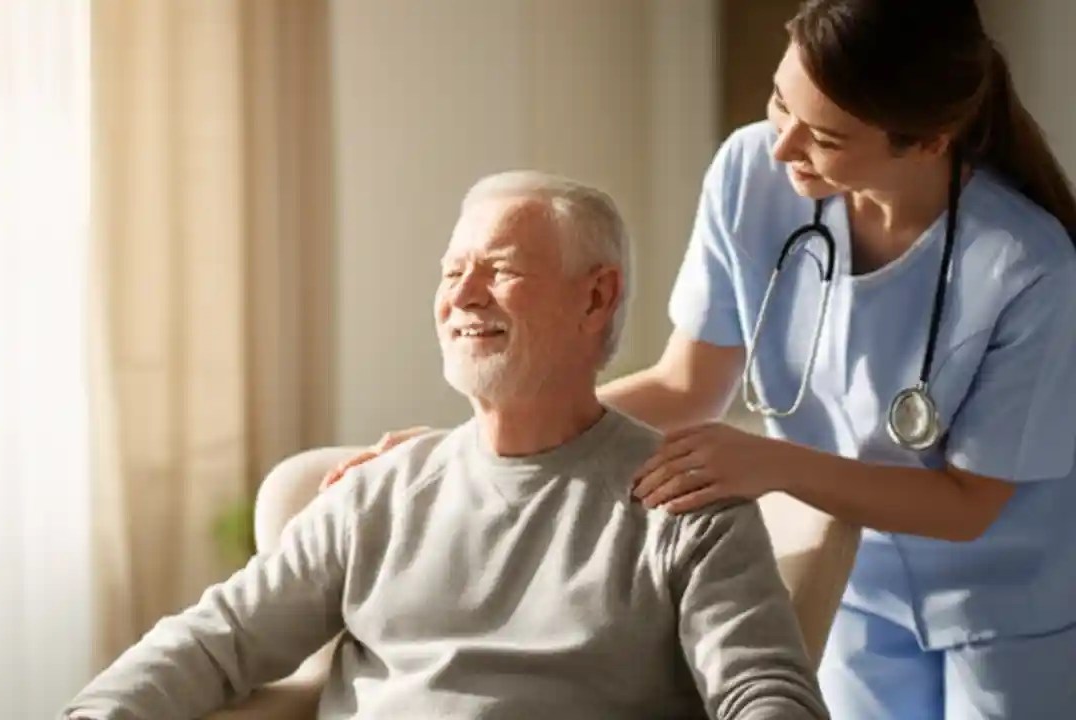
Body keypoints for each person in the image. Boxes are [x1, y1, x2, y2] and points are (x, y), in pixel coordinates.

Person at [328, 2, 1076, 718]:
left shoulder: (1025, 265)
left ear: (929, 139)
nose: (782, 145)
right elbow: (688, 385)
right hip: (853, 591)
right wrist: (462, 450)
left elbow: (969, 504)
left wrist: (775, 465)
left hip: (1007, 606)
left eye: (826, 137)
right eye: (780, 103)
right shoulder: (753, 173)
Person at [61, 172, 829, 719]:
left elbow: (765, 694)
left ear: (596, 296)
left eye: (498, 270)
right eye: (452, 271)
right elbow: (218, 639)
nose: (461, 297)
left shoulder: (683, 500)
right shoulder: (377, 492)